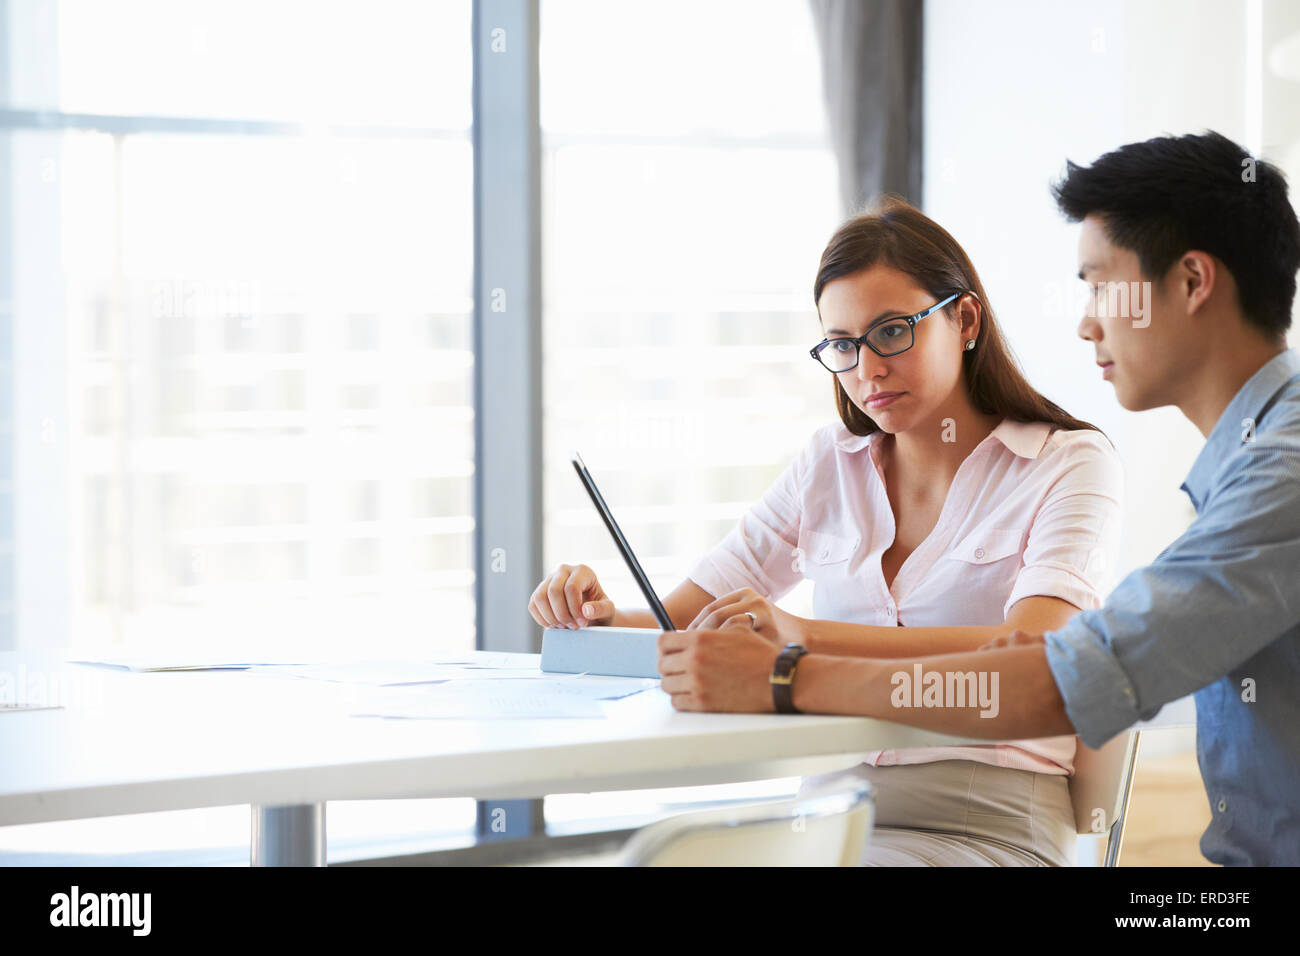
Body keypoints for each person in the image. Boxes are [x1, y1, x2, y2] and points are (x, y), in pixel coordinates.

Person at [658, 130, 1300, 867]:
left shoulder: (1280, 473)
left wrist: (787, 672)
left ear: (1192, 282)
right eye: (843, 344)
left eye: (1099, 285)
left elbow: (1060, 678)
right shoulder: (1251, 466)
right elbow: (1075, 664)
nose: (1087, 320)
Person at [529, 196, 1125, 865]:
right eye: (843, 345)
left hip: (986, 825)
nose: (868, 369)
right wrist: (600, 617)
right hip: (825, 822)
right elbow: (686, 621)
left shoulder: (1064, 463)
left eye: (893, 332)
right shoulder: (828, 464)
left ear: (963, 320)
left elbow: (1038, 648)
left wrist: (800, 645)